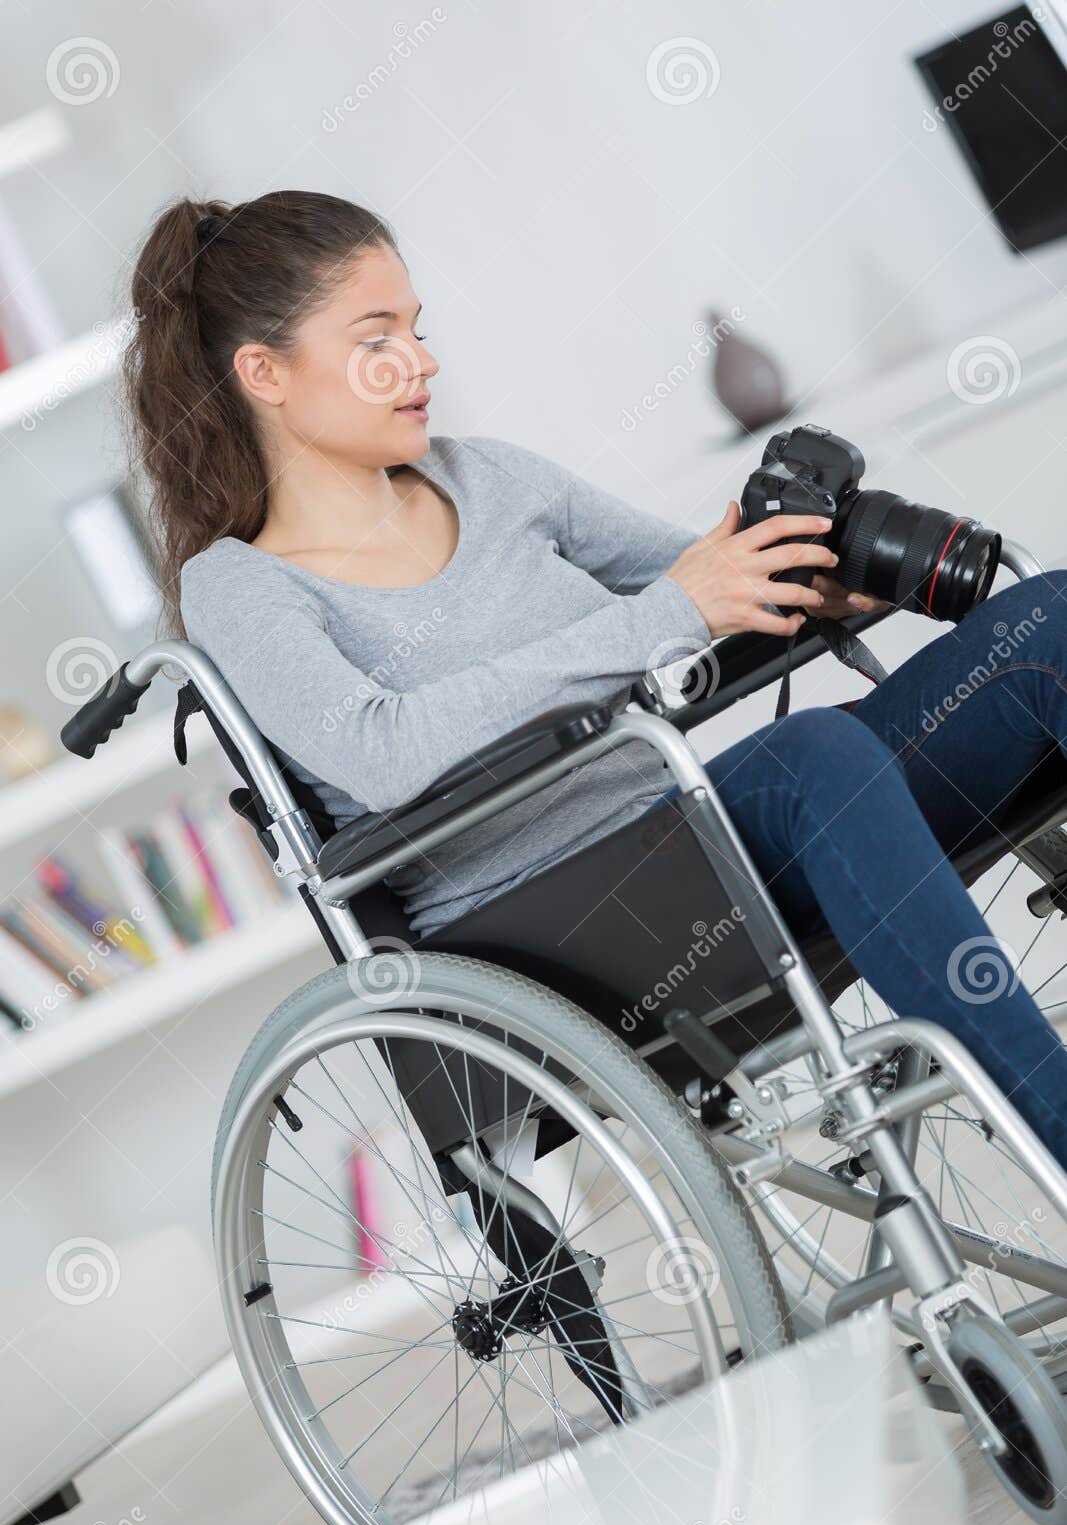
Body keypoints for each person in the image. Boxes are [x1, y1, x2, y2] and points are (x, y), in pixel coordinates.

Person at [125, 189, 1067, 1162]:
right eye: (377, 339)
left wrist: (810, 576)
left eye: (416, 329)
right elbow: (382, 751)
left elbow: (698, 584)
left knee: (1047, 622)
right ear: (263, 372)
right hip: (563, 941)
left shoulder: (483, 476)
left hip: (716, 849)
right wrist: (671, 611)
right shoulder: (236, 584)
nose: (422, 361)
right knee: (809, 756)